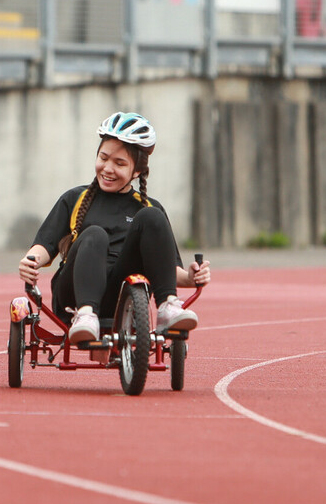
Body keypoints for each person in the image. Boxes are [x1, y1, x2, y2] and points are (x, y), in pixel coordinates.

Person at [17, 111, 211, 345]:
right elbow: (44, 244)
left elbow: (169, 270)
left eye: (119, 163)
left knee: (151, 215)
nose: (107, 168)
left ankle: (167, 306)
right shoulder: (74, 199)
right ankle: (87, 316)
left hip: (122, 295)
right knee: (95, 234)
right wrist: (31, 260)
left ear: (137, 171)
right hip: (74, 295)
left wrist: (191, 277)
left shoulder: (148, 207)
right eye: (103, 158)